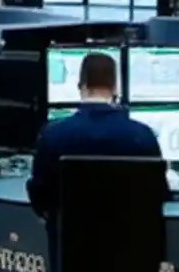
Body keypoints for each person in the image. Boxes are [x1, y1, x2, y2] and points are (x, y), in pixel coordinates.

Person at [26, 52, 164, 255]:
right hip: (133, 264)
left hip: (72, 262)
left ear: (80, 86)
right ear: (116, 88)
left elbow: (39, 196)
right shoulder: (143, 137)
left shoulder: (53, 136)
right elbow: (158, 193)